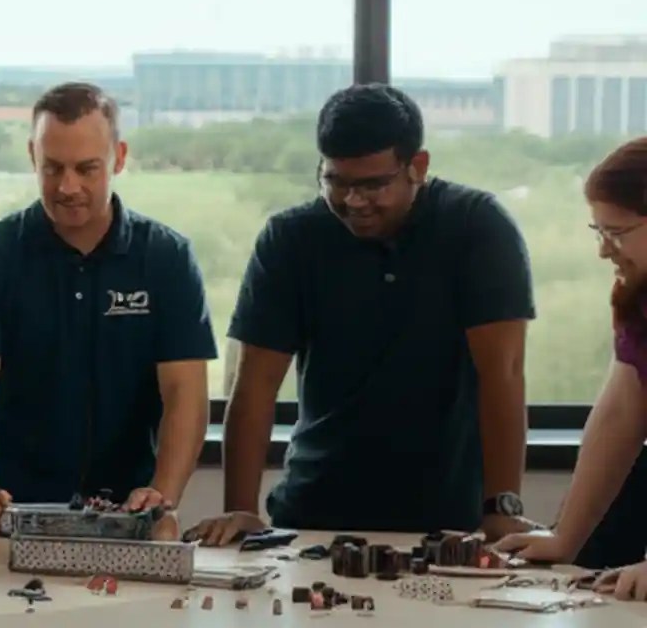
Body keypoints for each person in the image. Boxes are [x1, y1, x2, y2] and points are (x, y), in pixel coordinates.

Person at [186, 83, 535, 546]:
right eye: (336, 182)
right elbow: (254, 385)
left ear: (418, 166)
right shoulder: (291, 238)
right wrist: (241, 509)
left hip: (448, 519)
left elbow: (503, 374)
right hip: (313, 513)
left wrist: (502, 509)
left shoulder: (477, 226)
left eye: (373, 185)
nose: (353, 201)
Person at [0, 82, 214, 546]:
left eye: (87, 169)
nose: (68, 187)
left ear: (118, 158)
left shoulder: (166, 258)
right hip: (17, 518)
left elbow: (184, 392)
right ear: (32, 156)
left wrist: (163, 499)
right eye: (53, 168)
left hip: (130, 517)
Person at [496, 137, 647, 601]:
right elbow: (620, 414)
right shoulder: (639, 300)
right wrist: (566, 538)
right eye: (597, 231)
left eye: (616, 232)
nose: (604, 250)